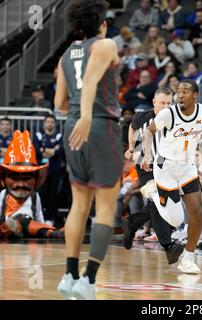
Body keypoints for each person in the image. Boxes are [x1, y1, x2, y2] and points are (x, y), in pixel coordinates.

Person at [55, 0, 124, 300]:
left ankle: (70, 276)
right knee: (106, 207)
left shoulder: (65, 55)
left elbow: (58, 103)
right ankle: (89, 280)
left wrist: (77, 116)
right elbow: (92, 82)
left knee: (79, 204)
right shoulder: (106, 44)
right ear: (102, 23)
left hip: (71, 127)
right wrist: (86, 115)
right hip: (99, 125)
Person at [141, 80, 202, 274]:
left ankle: (188, 259)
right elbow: (149, 131)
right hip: (165, 166)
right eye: (178, 92)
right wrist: (146, 153)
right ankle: (154, 192)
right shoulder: (168, 113)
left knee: (197, 212)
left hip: (187, 166)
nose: (180, 95)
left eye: (185, 92)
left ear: (195, 95)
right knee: (175, 220)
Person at [123, 87, 184, 264]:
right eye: (162, 103)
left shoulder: (176, 119)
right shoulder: (141, 117)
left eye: (168, 103)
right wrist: (131, 148)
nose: (166, 106)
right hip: (145, 166)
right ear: (154, 103)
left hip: (165, 166)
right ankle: (168, 246)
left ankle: (132, 223)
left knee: (157, 204)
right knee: (158, 202)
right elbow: (132, 129)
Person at [0, 130, 63, 239]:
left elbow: (39, 217)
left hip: (28, 227)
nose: (21, 184)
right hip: (6, 227)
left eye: (26, 178)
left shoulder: (34, 196)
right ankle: (13, 228)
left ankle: (52, 233)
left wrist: (43, 229)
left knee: (24, 219)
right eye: (15, 178)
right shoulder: (3, 194)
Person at [34, 115, 65, 226]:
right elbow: (37, 150)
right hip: (41, 169)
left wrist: (44, 149)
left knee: (53, 194)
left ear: (55, 123)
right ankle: (39, 218)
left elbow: (60, 151)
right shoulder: (38, 135)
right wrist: (52, 149)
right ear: (44, 123)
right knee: (41, 194)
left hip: (55, 169)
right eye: (48, 122)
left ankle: (51, 218)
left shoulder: (59, 135)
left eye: (52, 122)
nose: (50, 124)